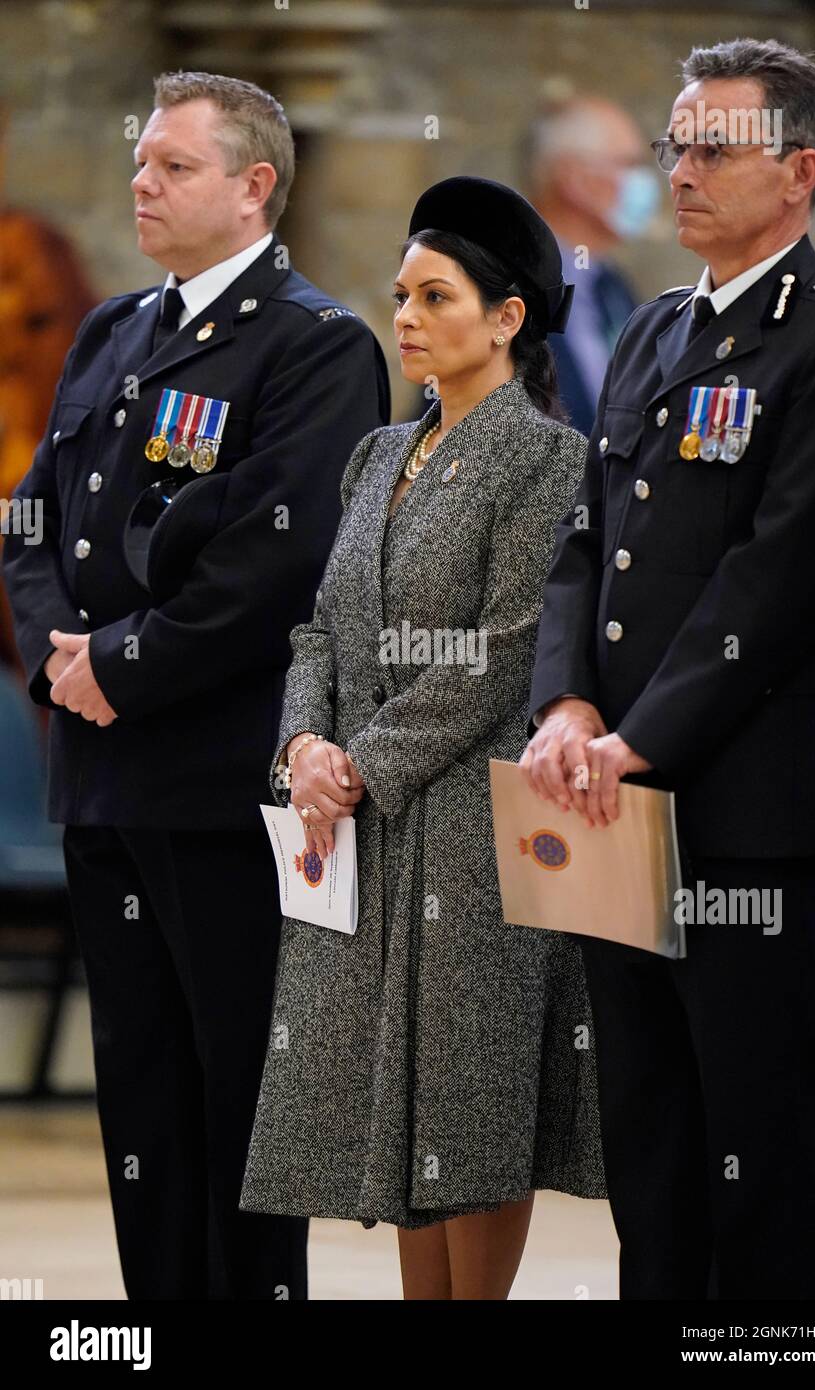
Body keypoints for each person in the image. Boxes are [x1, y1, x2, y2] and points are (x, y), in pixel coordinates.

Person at [2, 70, 389, 1300]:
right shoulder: (116, 326)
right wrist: (64, 662)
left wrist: (117, 663)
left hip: (220, 776)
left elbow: (276, 561)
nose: (143, 182)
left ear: (252, 186)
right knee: (143, 1105)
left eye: (174, 165)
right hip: (101, 769)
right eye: (141, 161)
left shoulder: (313, 346)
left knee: (238, 1095)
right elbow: (30, 520)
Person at [521, 37, 815, 1299]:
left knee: (757, 1120)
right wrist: (564, 699)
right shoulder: (656, 328)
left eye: (712, 146)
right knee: (648, 1117)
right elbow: (581, 542)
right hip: (614, 797)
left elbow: (772, 578)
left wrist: (636, 735)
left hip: (743, 802)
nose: (679, 170)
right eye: (674, 143)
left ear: (797, 172)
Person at [239, 176, 605, 1300]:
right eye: (399, 293)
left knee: (467, 1095)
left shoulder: (544, 458)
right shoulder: (375, 455)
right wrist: (303, 746)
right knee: (394, 1110)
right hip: (362, 823)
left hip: (474, 822)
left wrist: (364, 762)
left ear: (505, 319)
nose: (402, 316)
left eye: (434, 296)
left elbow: (506, 645)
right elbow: (317, 631)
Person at [526, 93, 652, 435]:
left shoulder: (613, 286)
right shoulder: (500, 287)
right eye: (628, 164)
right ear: (573, 179)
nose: (644, 182)